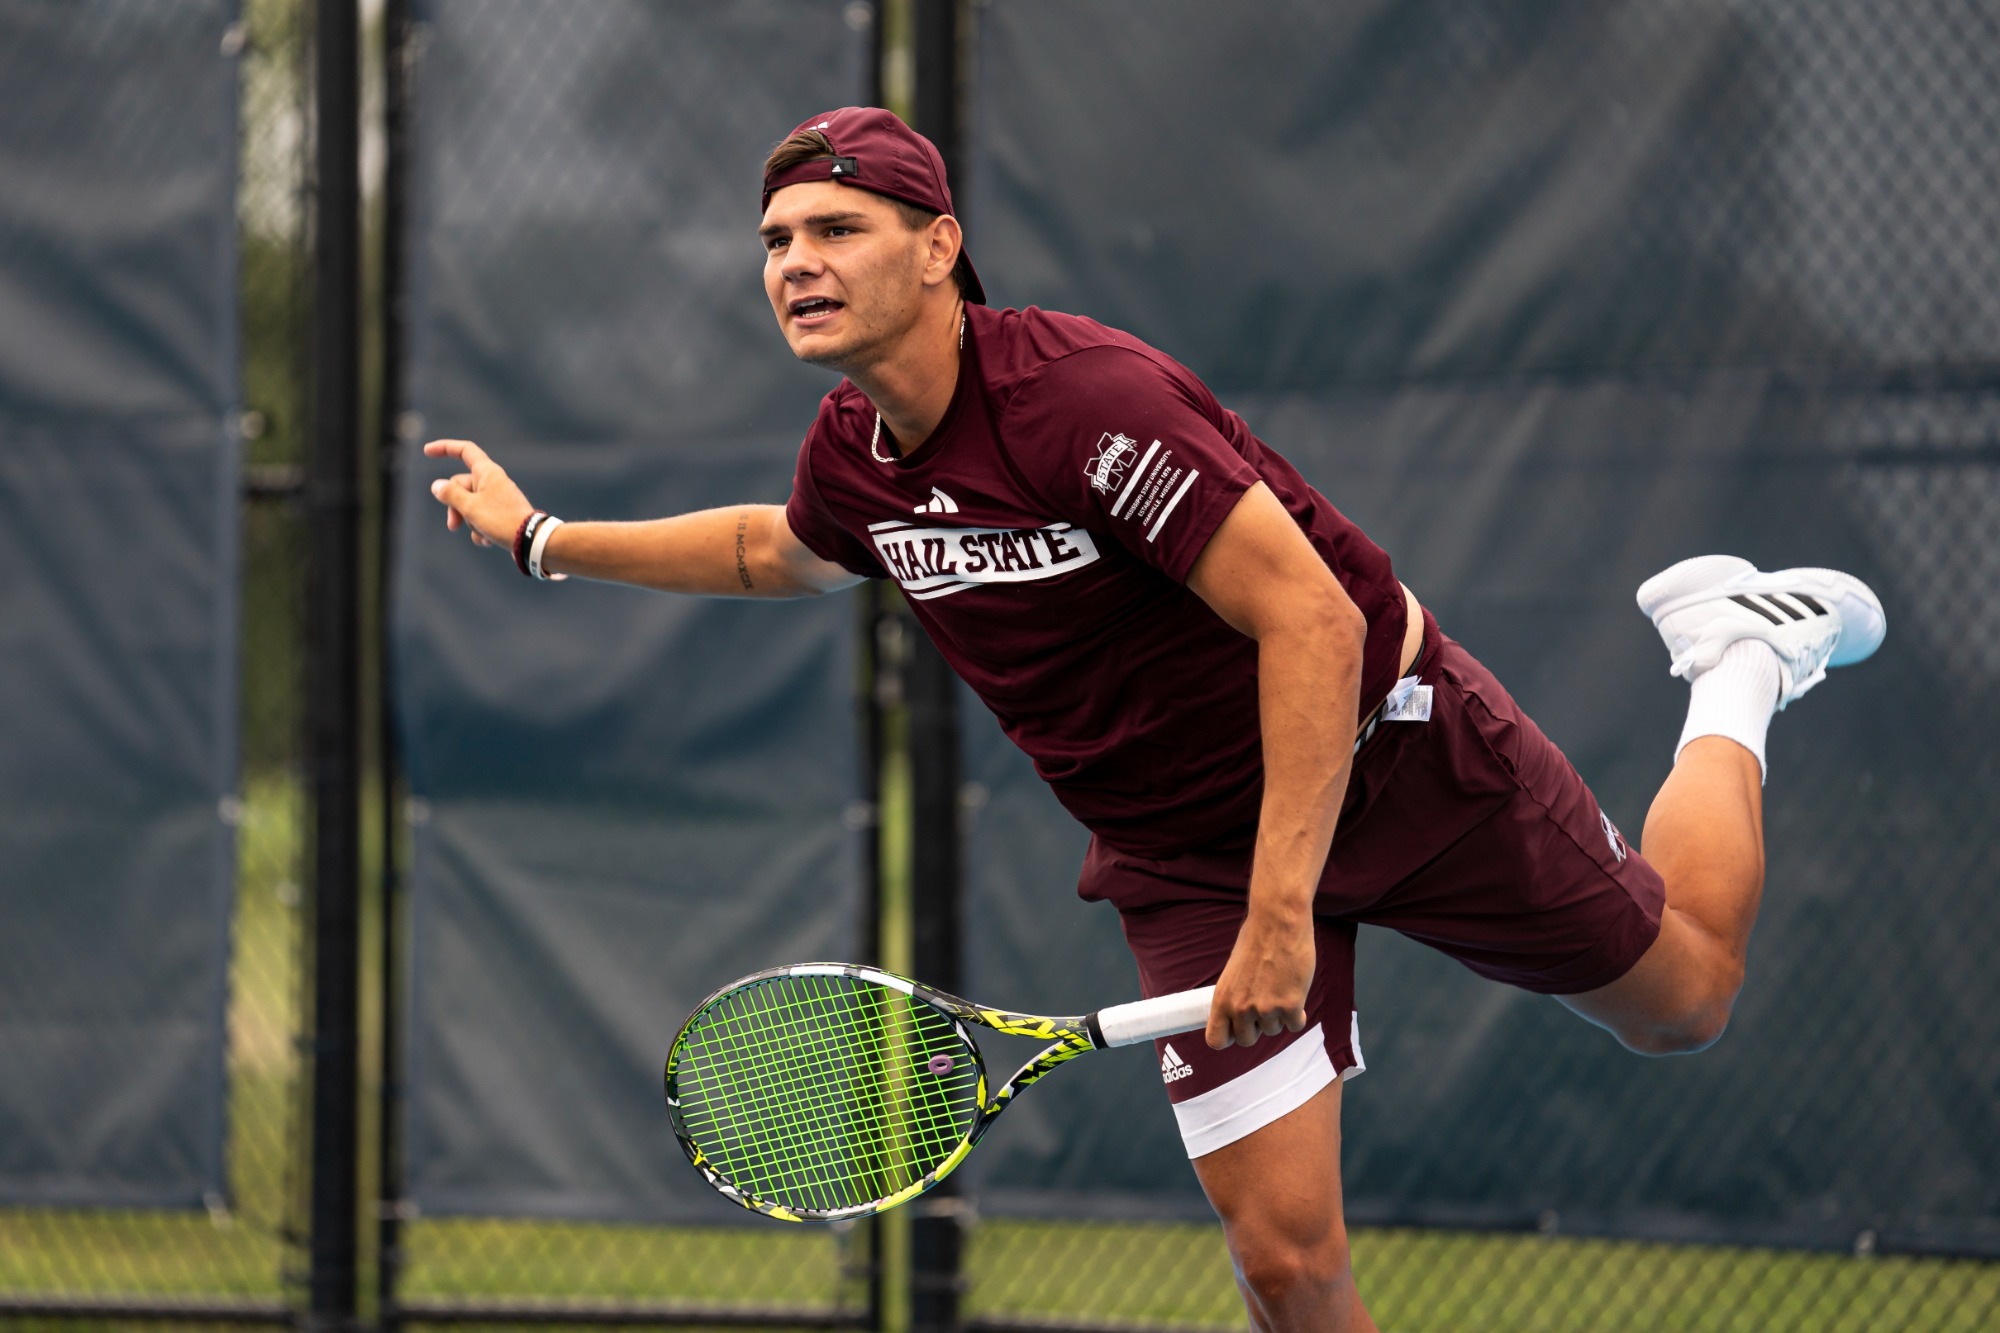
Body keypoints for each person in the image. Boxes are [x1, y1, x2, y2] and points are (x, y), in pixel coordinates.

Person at [424, 107, 1884, 1332]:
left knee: (1684, 999)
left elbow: (1311, 623)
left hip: (1393, 758)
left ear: (937, 249)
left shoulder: (1083, 402)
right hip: (1183, 854)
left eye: (836, 229)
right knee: (1285, 1259)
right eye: (776, 241)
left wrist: (1284, 912)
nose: (795, 261)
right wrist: (544, 537)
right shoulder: (854, 454)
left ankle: (1736, 664)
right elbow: (774, 550)